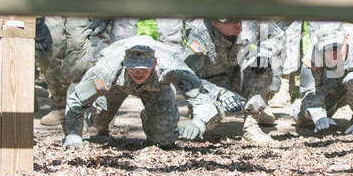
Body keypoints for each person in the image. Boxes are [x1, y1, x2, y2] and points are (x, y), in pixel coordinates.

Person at [62, 38, 239, 150]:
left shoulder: (172, 67)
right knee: (97, 122)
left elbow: (202, 99)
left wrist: (198, 124)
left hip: (157, 89)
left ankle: (151, 116)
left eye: (143, 68)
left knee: (164, 140)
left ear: (154, 62)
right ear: (125, 63)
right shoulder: (106, 71)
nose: (138, 73)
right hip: (116, 87)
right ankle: (103, 124)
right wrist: (73, 135)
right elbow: (77, 100)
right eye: (133, 68)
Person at [182, 18, 277, 144]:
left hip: (237, 75)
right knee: (206, 130)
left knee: (261, 66)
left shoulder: (250, 21)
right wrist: (218, 93)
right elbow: (187, 78)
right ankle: (203, 118)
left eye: (238, 18)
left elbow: (276, 35)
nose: (238, 23)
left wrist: (267, 49)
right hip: (212, 84)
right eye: (231, 21)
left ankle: (252, 124)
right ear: (214, 22)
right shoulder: (199, 35)